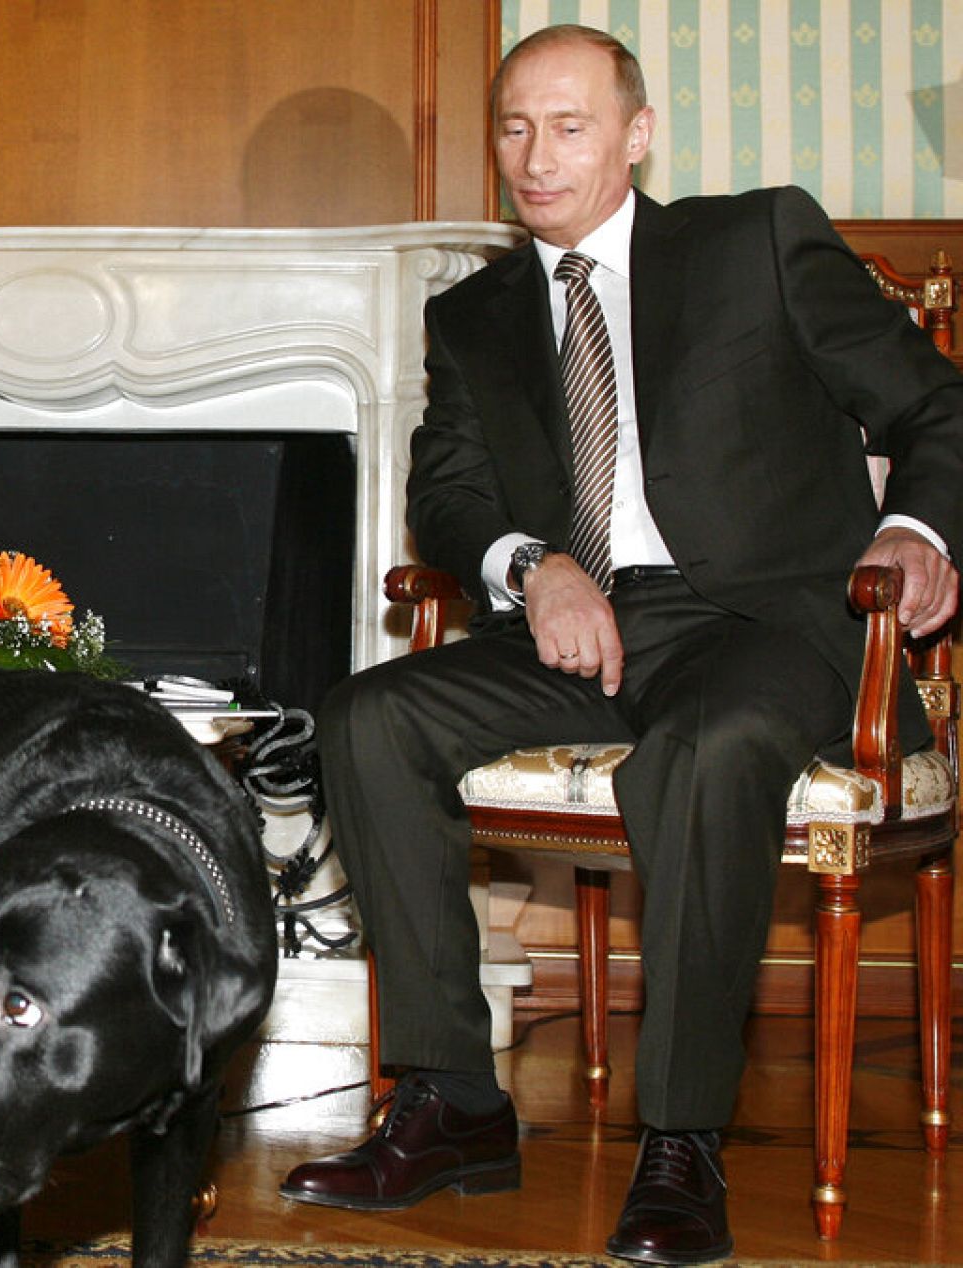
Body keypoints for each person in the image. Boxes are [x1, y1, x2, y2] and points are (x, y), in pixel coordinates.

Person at [278, 24, 961, 1266]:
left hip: (765, 622)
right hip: (582, 625)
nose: (537, 157)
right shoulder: (474, 314)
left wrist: (912, 530)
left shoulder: (755, 241)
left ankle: (682, 1138)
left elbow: (936, 402)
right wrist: (532, 567)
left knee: (704, 748)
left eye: (570, 126)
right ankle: (451, 1097)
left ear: (637, 135)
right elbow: (449, 496)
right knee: (368, 717)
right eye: (515, 128)